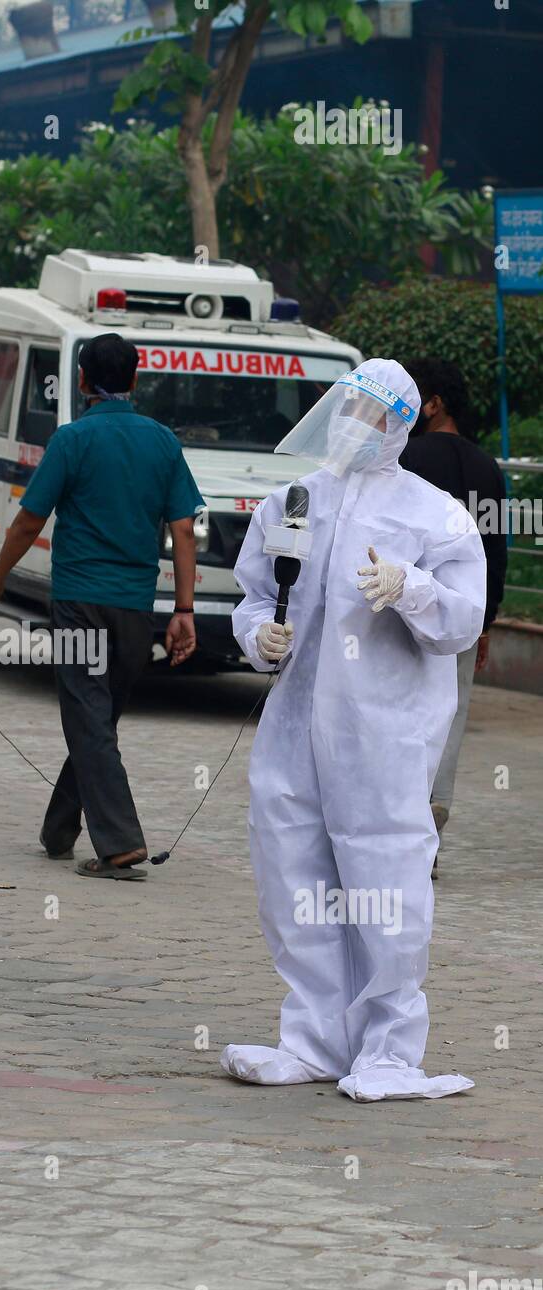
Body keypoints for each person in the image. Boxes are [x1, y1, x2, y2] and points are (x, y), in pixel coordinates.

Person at [221, 359, 487, 1102]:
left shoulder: (433, 515)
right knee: (291, 876)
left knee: (384, 882)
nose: (353, 427)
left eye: (371, 416)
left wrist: (412, 589)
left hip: (382, 734)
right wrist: (256, 638)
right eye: (347, 410)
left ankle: (390, 1049)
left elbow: (462, 622)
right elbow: (251, 596)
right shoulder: (291, 500)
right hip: (293, 732)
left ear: (400, 426)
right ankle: (310, 1038)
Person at [0, 332, 203, 881]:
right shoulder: (163, 442)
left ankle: (121, 843)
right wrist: (184, 610)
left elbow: (30, 520)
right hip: (135, 607)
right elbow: (183, 529)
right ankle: (59, 830)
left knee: (90, 721)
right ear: (135, 379)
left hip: (80, 602)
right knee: (96, 720)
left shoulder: (71, 440)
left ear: (81, 381)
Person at [400, 358, 507, 875]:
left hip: (406, 608)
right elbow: (497, 552)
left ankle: (401, 822)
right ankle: (435, 805)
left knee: (399, 712)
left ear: (433, 403)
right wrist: (486, 622)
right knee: (452, 712)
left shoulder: (405, 457)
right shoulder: (488, 468)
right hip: (465, 613)